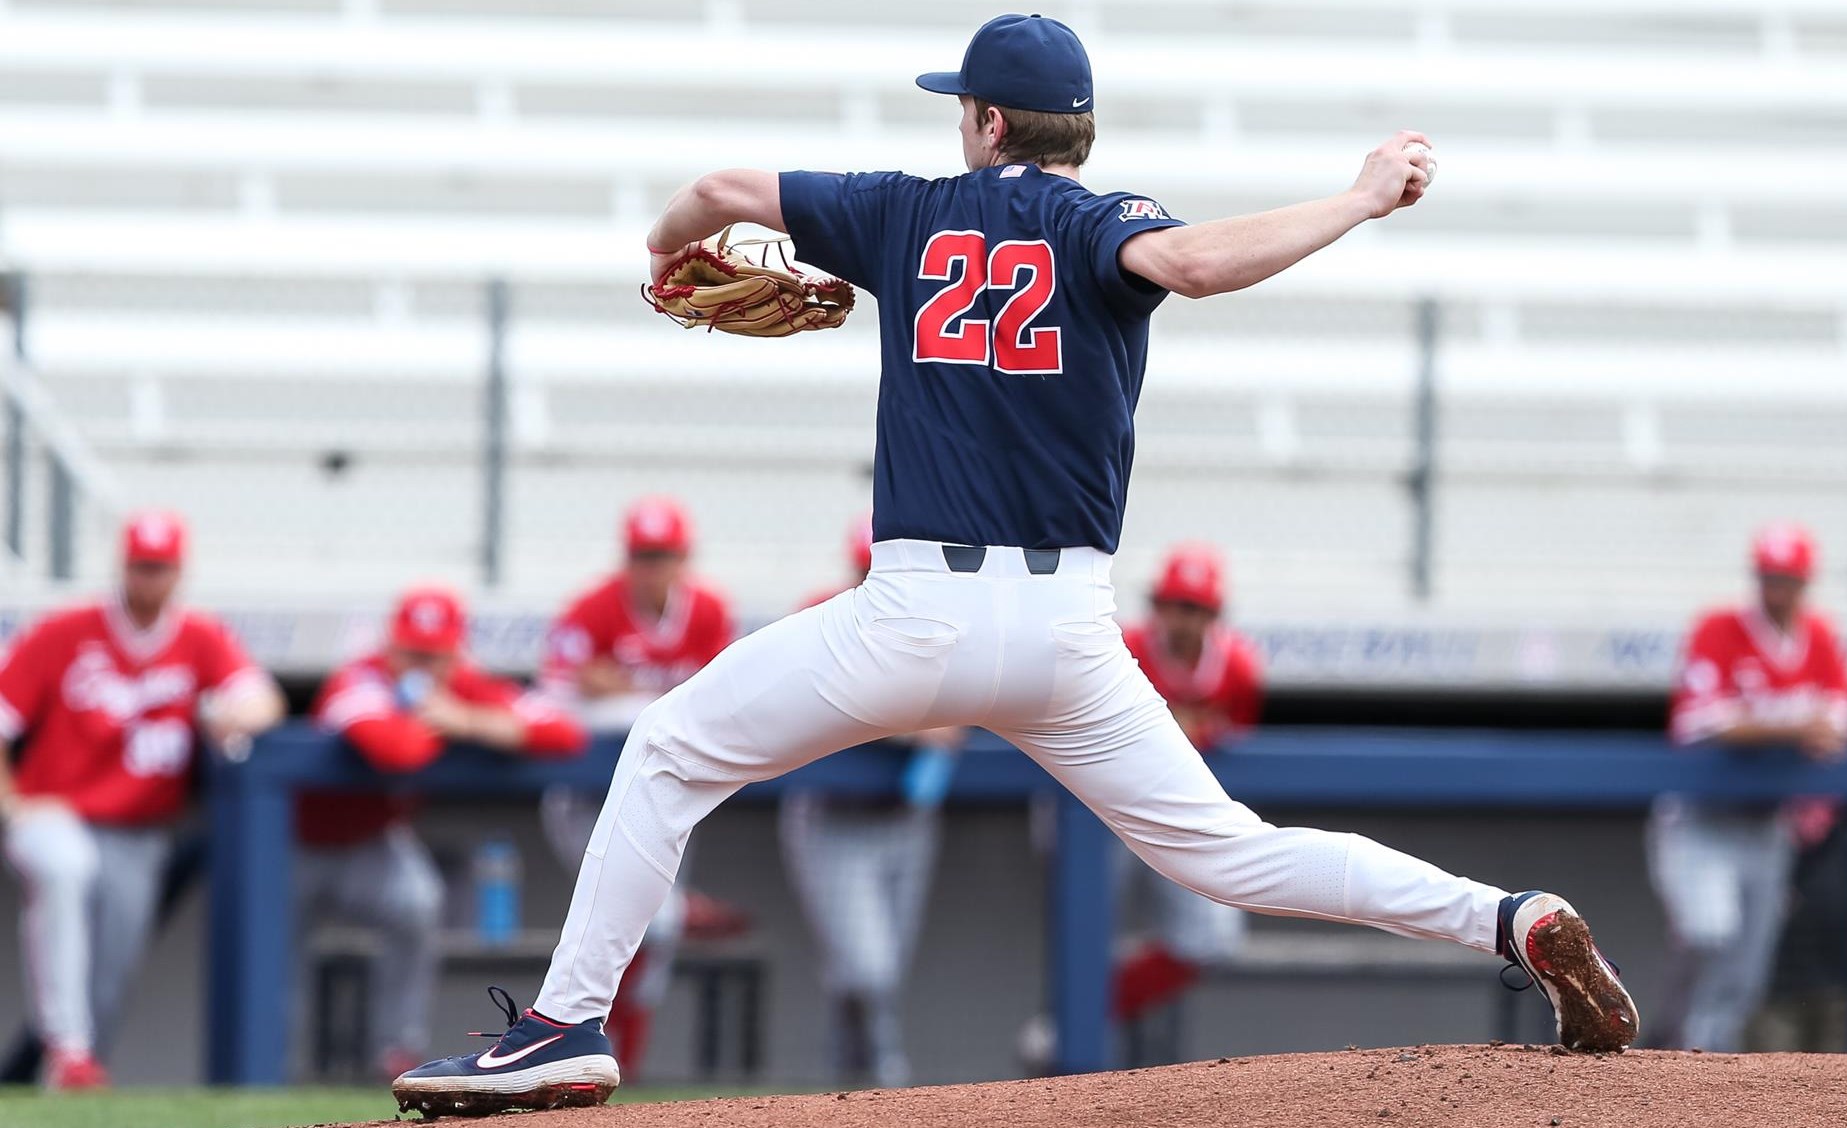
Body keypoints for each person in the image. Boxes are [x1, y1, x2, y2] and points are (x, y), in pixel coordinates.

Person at [391, 15, 1636, 1115]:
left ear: (984, 119)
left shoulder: (904, 208)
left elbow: (715, 187)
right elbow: (1197, 265)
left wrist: (664, 261)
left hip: (910, 619)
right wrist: (1359, 196)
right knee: (1227, 852)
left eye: (962, 107)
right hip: (1067, 635)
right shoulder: (1106, 221)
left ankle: (562, 1030)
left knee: (665, 752)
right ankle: (1504, 918)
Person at [0, 511, 283, 1088]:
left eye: (160, 568)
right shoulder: (65, 631)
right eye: (139, 566)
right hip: (57, 812)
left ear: (178, 572)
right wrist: (11, 803)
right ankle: (70, 1051)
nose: (148, 579)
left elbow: (263, 700)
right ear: (122, 567)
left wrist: (231, 716)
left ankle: (75, 1072)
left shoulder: (198, 636)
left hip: (139, 829)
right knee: (63, 870)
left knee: (115, 965)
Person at [301, 586, 587, 1079]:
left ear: (456, 653)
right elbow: (395, 751)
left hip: (372, 841)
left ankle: (396, 1052)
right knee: (273, 956)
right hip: (286, 843)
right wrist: (444, 718)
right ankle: (268, 1071)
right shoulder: (359, 678)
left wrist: (468, 719)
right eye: (412, 654)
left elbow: (562, 731)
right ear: (391, 646)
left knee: (418, 900)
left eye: (436, 656)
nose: (423, 668)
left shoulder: (459, 686)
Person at [533, 497, 736, 1076]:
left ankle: (626, 1054)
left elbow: (721, 697)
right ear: (627, 558)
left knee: (659, 927)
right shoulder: (593, 608)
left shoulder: (709, 611)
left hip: (668, 793)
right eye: (643, 556)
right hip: (586, 800)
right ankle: (595, 1040)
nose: (653, 567)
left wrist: (621, 688)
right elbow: (554, 701)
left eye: (663, 555)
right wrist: (616, 693)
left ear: (683, 557)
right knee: (623, 918)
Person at [1647, 524, 1847, 1052]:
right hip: (1702, 820)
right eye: (1768, 577)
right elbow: (1697, 722)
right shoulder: (1719, 628)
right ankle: (1658, 1047)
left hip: (1767, 824)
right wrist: (1789, 726)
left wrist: (1759, 724)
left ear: (1805, 582)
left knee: (1746, 971)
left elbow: (1838, 723)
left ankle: (1702, 1073)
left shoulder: (1820, 637)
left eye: (1787, 579)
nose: (1776, 589)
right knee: (1706, 935)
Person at [779, 515, 962, 1088]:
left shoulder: (940, 620)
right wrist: (909, 725)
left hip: (906, 818)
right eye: (866, 570)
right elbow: (823, 701)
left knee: (877, 974)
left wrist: (940, 720)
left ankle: (853, 1085)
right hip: (831, 817)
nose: (874, 580)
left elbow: (966, 711)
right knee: (867, 966)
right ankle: (885, 1073)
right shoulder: (821, 615)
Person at [1111, 544, 1262, 1038]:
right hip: (1106, 810)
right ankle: (1060, 1029)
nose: (1179, 619)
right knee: (1085, 927)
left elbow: (1237, 743)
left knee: (1214, 938)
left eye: (1193, 608)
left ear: (1213, 614)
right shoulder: (1123, 647)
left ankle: (1096, 1008)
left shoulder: (1237, 667)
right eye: (1171, 604)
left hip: (1182, 813)